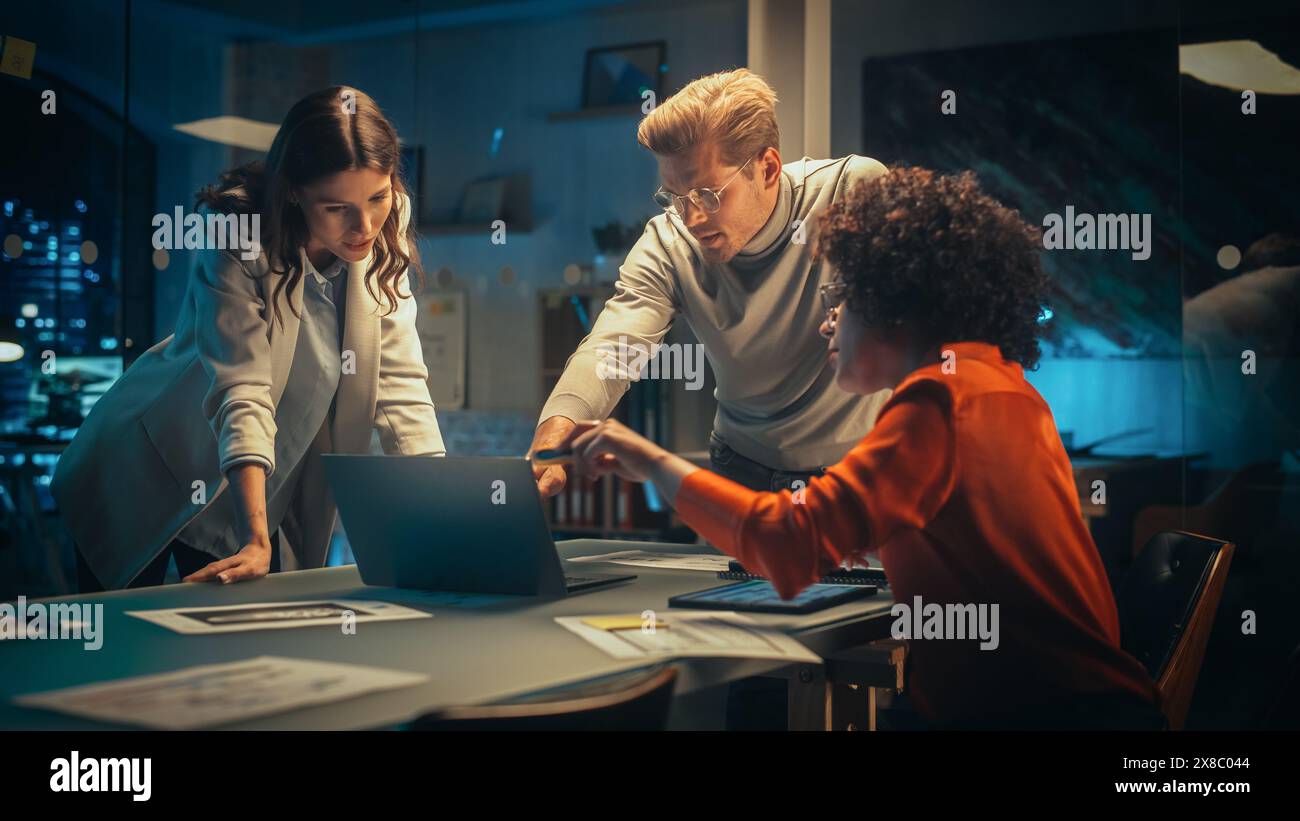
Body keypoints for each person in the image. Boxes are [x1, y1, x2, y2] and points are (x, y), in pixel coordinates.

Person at [552, 167, 1163, 729]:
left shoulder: (936, 404)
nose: (827, 323)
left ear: (897, 309)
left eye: (841, 300)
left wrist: (651, 461)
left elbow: (789, 547)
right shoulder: (999, 384)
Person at [51, 86, 445, 592]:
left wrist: (443, 514)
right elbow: (244, 390)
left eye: (378, 197)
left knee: (236, 661)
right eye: (336, 208)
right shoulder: (235, 230)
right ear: (294, 193)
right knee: (123, 657)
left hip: (253, 494)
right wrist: (257, 539)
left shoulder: (383, 235)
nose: (364, 226)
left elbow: (400, 386)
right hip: (147, 472)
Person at [529, 68, 889, 499]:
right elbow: (614, 348)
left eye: (707, 194)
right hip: (742, 471)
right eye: (674, 197)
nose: (692, 218)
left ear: (768, 168)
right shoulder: (668, 240)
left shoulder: (850, 191)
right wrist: (558, 427)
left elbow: (915, 326)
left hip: (863, 469)